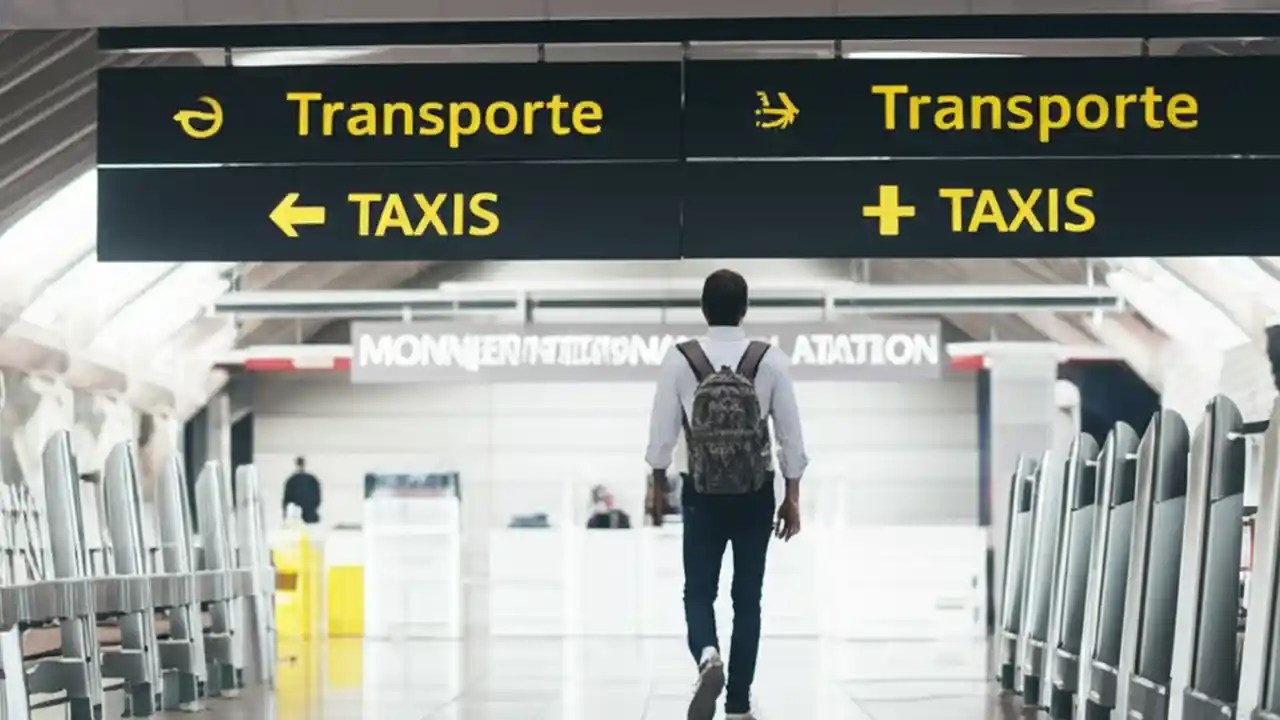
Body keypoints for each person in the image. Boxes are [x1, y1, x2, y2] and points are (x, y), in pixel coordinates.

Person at [645, 269, 807, 720]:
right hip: (755, 493)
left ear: (703, 308)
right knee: (747, 598)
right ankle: (738, 704)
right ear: (744, 309)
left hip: (701, 493)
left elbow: (661, 438)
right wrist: (791, 496)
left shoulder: (680, 360)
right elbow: (790, 438)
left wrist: (658, 493)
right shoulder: (770, 360)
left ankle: (708, 656)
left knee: (698, 591)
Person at [282, 456, 322, 524]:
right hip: (310, 515)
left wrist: (285, 514)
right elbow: (317, 498)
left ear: (296, 464)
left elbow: (287, 499)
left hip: (297, 515)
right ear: (304, 464)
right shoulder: (312, 479)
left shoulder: (292, 480)